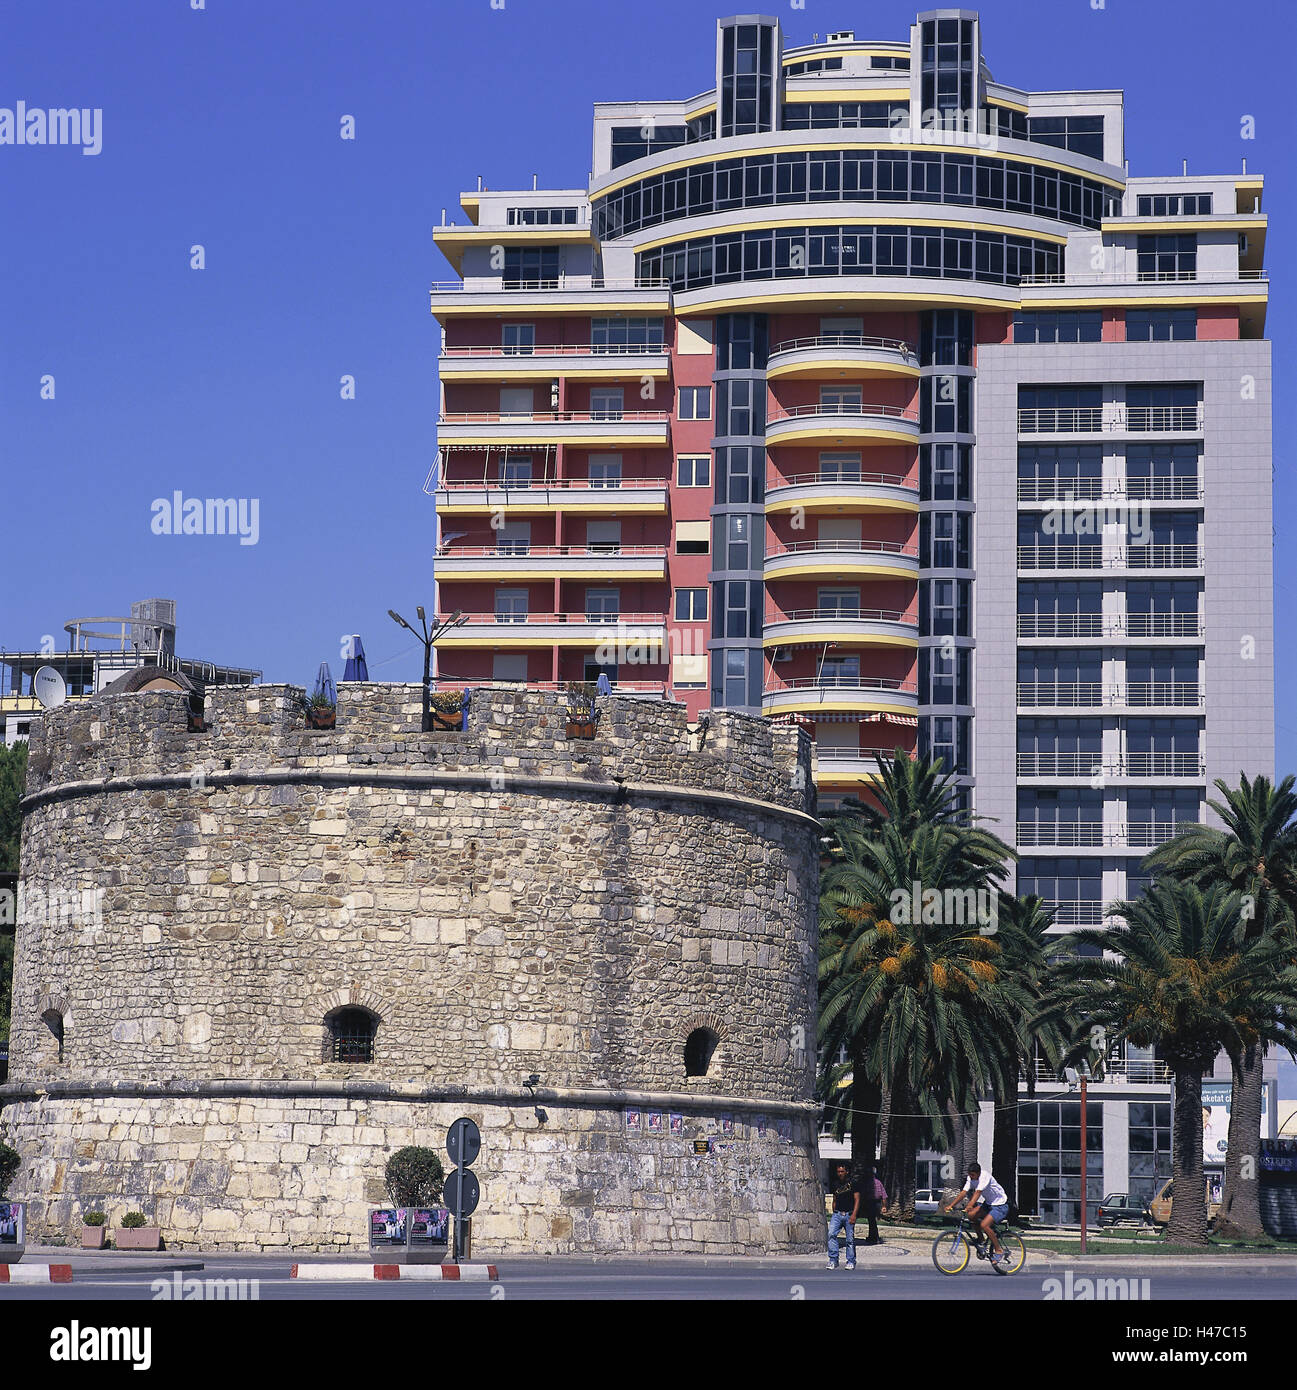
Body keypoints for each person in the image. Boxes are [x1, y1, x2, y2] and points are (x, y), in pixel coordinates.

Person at [944, 1163, 1009, 1264]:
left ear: (978, 1173)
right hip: (988, 1204)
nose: (971, 1177)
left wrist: (970, 1205)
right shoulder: (970, 1178)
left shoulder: (985, 1177)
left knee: (984, 1225)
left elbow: (977, 1193)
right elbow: (963, 1192)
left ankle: (999, 1250)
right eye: (970, 1175)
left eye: (973, 1175)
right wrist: (951, 1205)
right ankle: (981, 1240)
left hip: (1000, 1205)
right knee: (971, 1215)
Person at [826, 1162, 863, 1270]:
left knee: (849, 1240)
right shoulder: (835, 1183)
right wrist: (834, 1211)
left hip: (849, 1214)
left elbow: (857, 1200)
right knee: (831, 1234)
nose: (840, 1173)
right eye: (838, 1171)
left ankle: (850, 1261)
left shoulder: (853, 1183)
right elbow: (835, 1198)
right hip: (837, 1213)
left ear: (847, 1172)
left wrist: (854, 1215)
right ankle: (833, 1260)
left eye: (842, 1171)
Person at [860, 1166, 887, 1245]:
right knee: (872, 1220)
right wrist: (883, 1206)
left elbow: (863, 1195)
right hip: (877, 1203)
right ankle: (872, 1236)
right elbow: (884, 1196)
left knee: (872, 1221)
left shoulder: (867, 1183)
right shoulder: (879, 1182)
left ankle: (875, 1237)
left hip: (871, 1203)